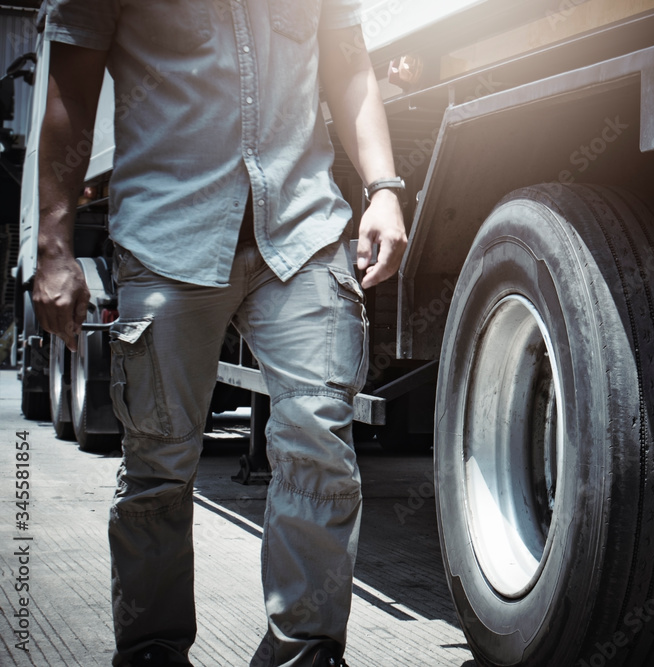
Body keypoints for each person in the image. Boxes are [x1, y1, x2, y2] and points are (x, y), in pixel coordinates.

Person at [32, 1, 407, 665]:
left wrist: (383, 186)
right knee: (158, 464)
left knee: (319, 444)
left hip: (302, 232)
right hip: (168, 235)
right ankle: (151, 649)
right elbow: (71, 92)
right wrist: (54, 244)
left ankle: (306, 649)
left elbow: (349, 65)